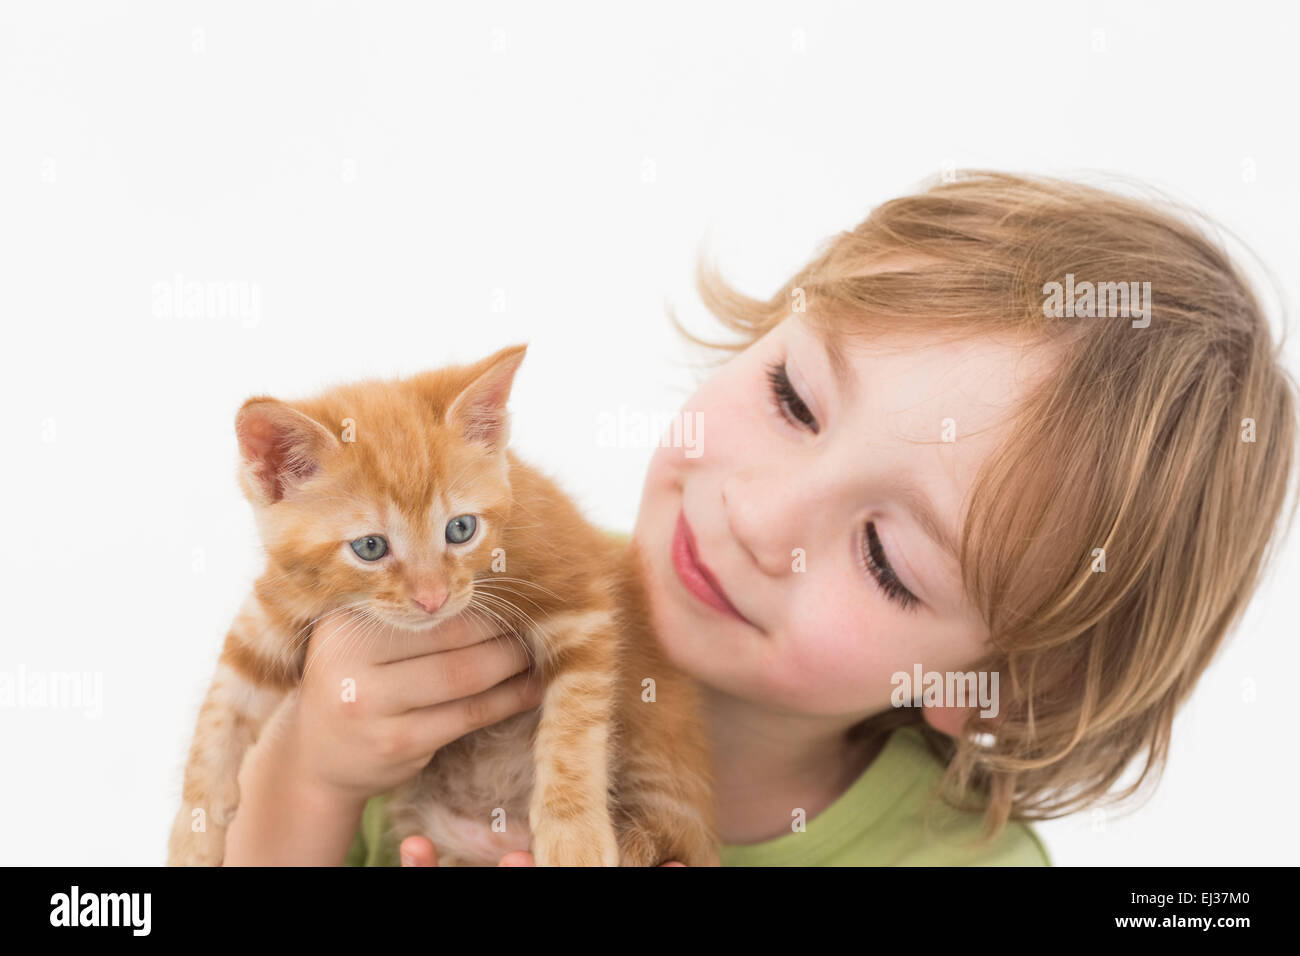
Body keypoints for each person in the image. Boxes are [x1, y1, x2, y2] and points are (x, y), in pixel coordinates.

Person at [223, 171, 1297, 866]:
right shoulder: (454, 623)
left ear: (1007, 682)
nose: (756, 514)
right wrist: (309, 769)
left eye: (883, 556)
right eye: (793, 398)